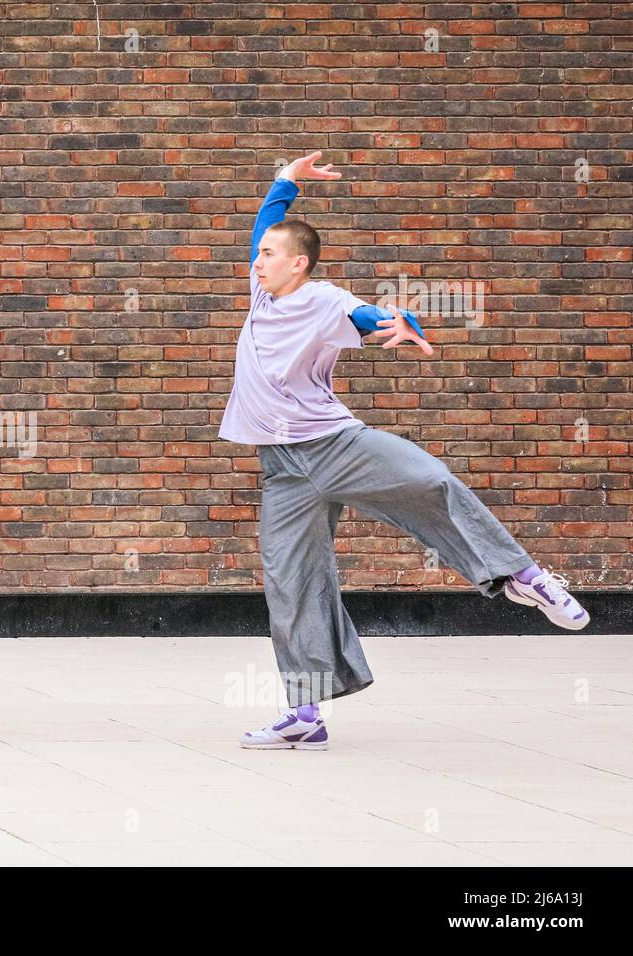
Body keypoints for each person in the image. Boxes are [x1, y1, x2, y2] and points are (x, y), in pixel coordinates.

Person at [222, 152, 591, 752]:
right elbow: (269, 220)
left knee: (429, 481)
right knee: (291, 583)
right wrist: (286, 180)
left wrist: (405, 322)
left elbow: (374, 316)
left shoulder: (325, 300)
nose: (256, 260)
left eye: (267, 255)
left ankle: (524, 576)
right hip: (282, 469)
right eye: (259, 253)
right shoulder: (263, 294)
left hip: (335, 446)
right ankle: (305, 714)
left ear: (300, 263)